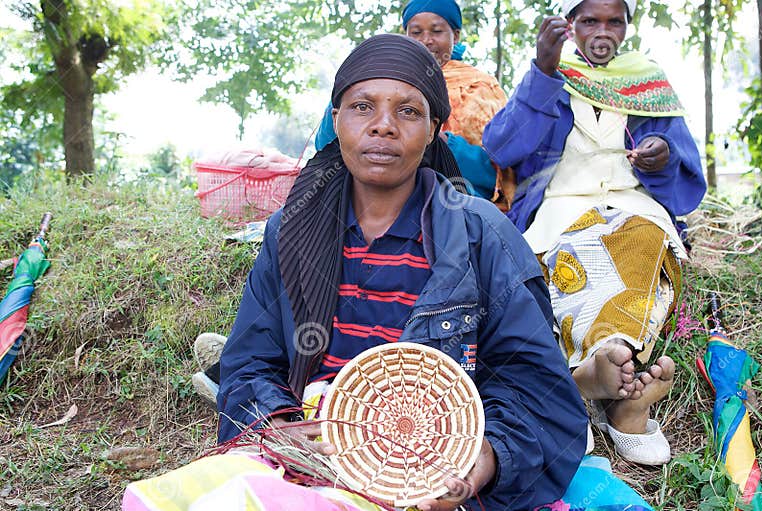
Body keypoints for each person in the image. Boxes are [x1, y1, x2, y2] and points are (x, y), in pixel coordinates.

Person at [133, 34, 587, 511]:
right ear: (337, 120)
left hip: (429, 477)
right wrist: (280, 431)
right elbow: (249, 365)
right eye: (362, 107)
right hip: (305, 464)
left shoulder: (483, 235)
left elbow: (539, 391)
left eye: (408, 112)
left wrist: (488, 457)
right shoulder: (291, 231)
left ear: (434, 129)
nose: (383, 127)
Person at [482, 0, 707, 466]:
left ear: (626, 27)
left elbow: (685, 169)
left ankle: (593, 375)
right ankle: (622, 396)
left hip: (632, 204)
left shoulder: (646, 80)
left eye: (614, 21)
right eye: (589, 21)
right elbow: (501, 144)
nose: (602, 31)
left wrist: (661, 155)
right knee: (576, 251)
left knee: (643, 244)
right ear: (570, 26)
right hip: (559, 212)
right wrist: (542, 74)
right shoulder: (551, 74)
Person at [313, 0, 510, 204]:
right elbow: (326, 145)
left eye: (436, 31)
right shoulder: (383, 76)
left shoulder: (481, 87)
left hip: (457, 200)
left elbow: (496, 171)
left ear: (456, 35)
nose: (427, 40)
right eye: (416, 32)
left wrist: (446, 144)